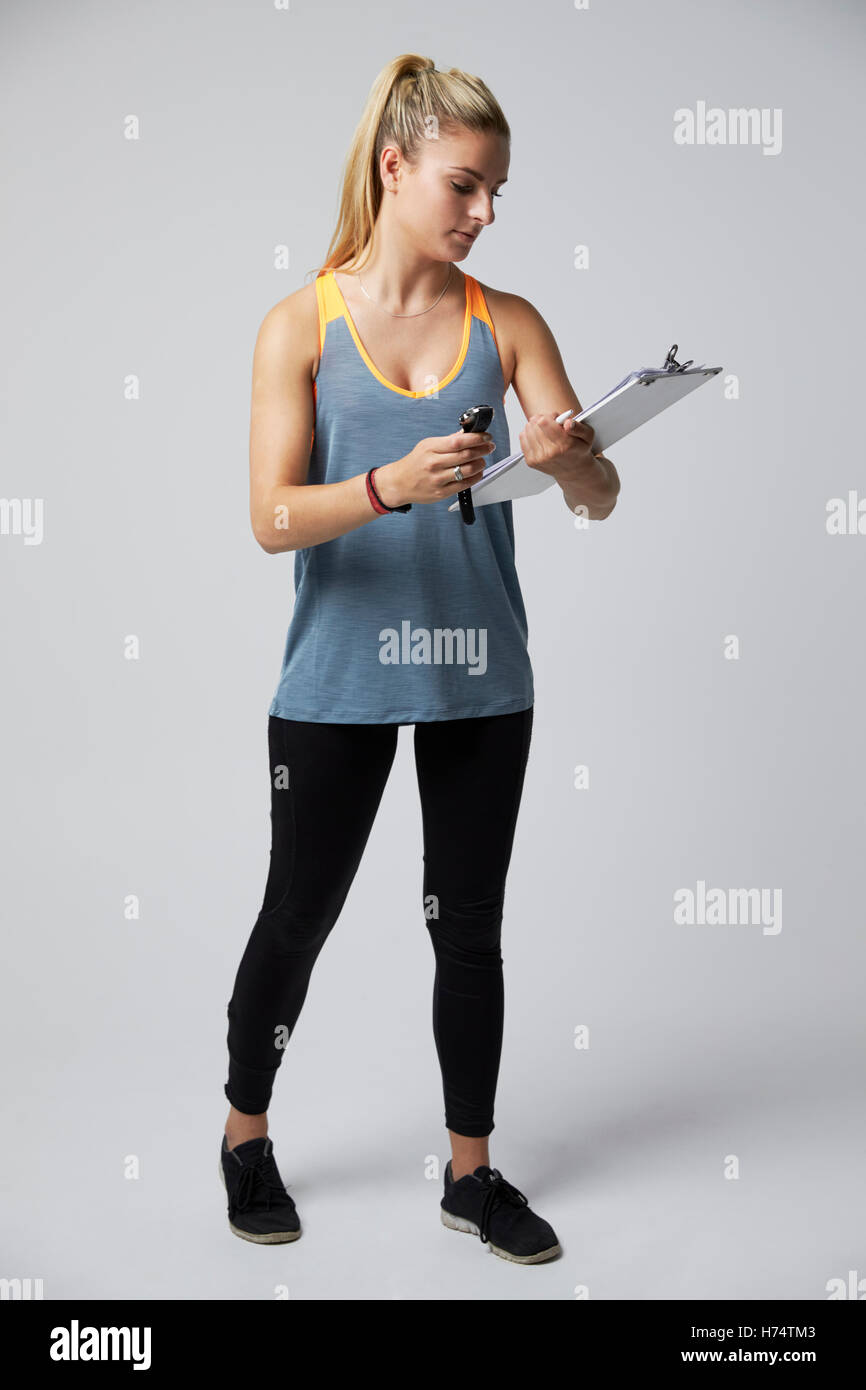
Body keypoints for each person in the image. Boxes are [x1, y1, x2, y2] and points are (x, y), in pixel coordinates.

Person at [219, 52, 620, 1265]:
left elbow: (600, 497)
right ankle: (244, 1135)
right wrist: (387, 485)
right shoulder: (300, 323)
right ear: (394, 170)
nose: (483, 213)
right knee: (298, 914)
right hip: (335, 680)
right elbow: (268, 518)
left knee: (470, 930)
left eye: (496, 192)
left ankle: (471, 1174)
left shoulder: (509, 323)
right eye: (464, 185)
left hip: (477, 679)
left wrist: (565, 458)